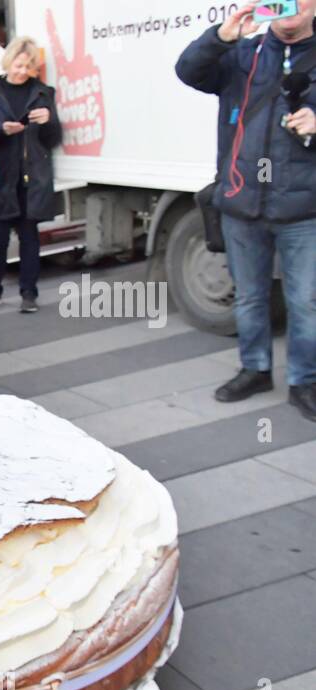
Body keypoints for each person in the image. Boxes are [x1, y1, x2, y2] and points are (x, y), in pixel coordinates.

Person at [177, 0, 316, 421]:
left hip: (304, 206)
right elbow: (188, 71)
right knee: (250, 298)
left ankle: (304, 380)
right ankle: (254, 369)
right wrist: (220, 36)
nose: (290, 7)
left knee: (306, 301)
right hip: (242, 201)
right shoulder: (243, 54)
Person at [0, 37, 62, 315]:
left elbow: (53, 139)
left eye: (28, 66)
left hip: (31, 176)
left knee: (29, 237)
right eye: (18, 65)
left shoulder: (43, 94)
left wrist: (49, 121)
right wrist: (2, 131)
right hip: (1, 177)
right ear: (8, 62)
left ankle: (29, 292)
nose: (22, 71)